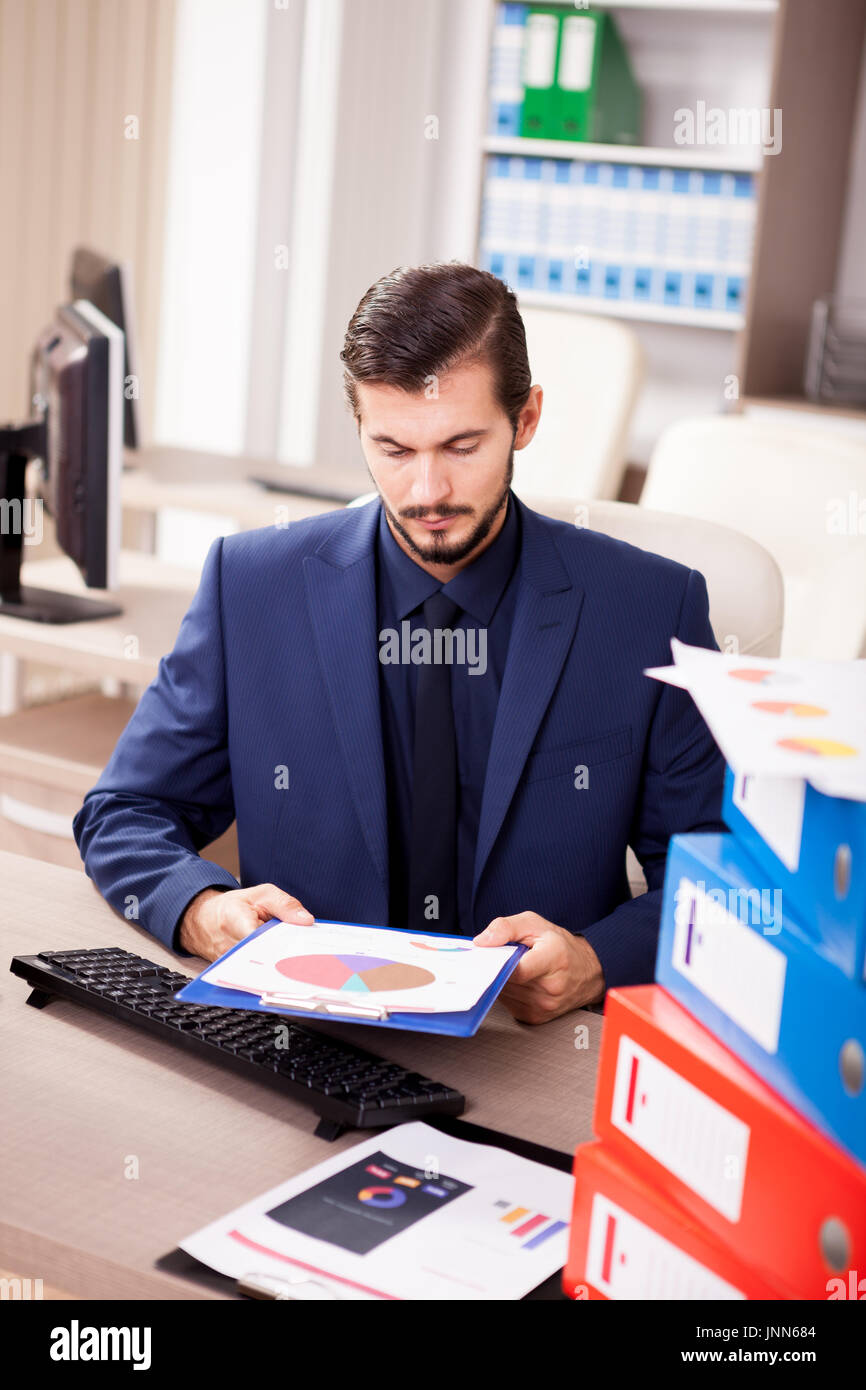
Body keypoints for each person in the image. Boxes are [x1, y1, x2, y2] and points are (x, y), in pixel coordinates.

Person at [73, 262, 726, 1024]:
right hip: (306, 1036)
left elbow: (725, 879)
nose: (427, 492)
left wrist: (597, 960)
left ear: (525, 420)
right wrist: (200, 909)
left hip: (532, 1043)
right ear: (358, 425)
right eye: (393, 449)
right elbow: (124, 810)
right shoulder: (249, 590)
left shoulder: (650, 610)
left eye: (461, 446)